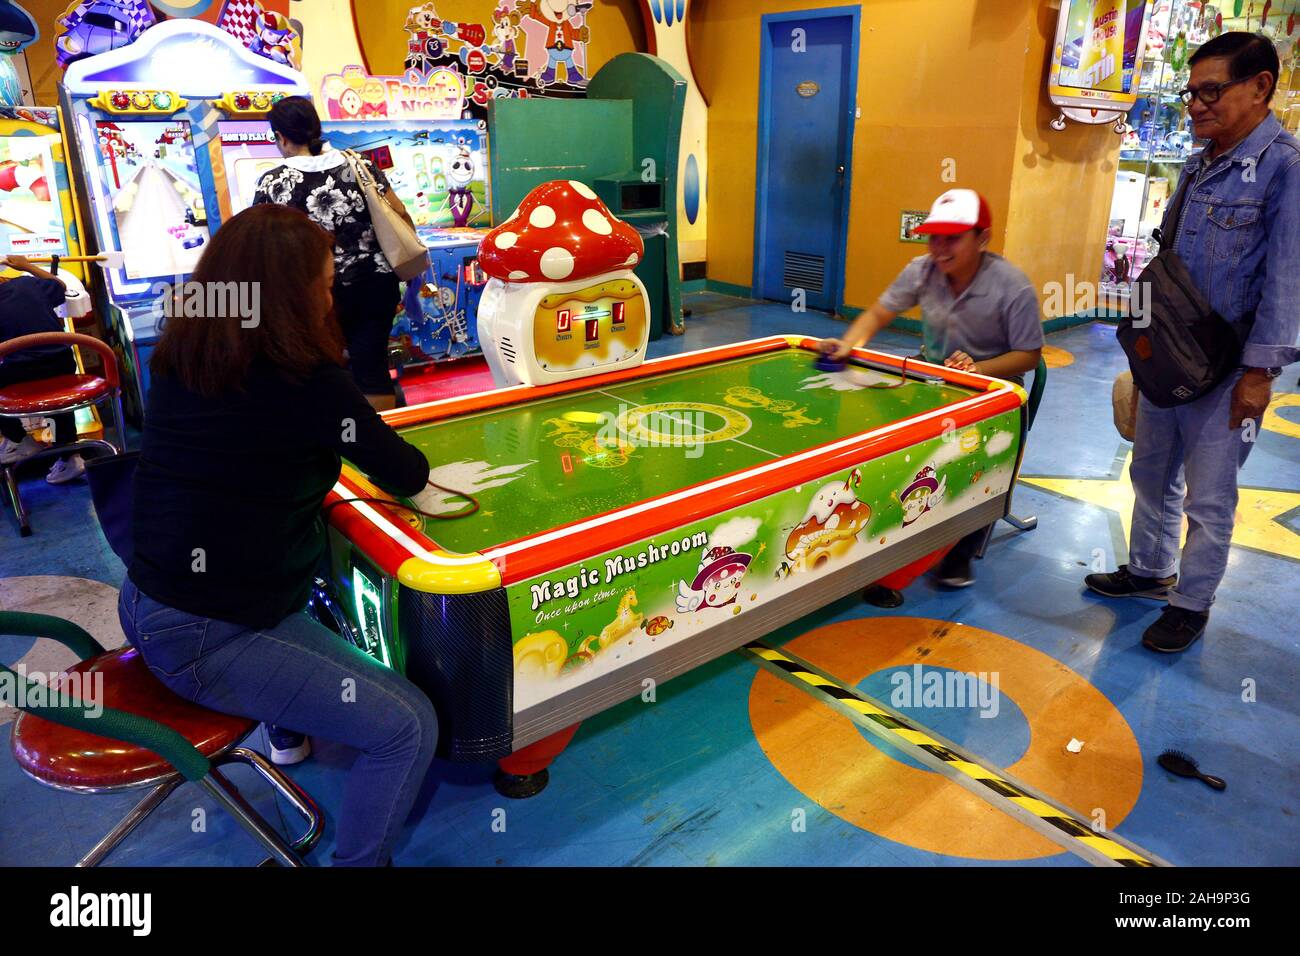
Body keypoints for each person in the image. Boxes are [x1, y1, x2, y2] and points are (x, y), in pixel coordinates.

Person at [118, 204, 437, 866]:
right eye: (323, 283)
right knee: (406, 727)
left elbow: (243, 458)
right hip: (208, 634)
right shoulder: (303, 378)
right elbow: (405, 470)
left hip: (148, 597)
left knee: (303, 551)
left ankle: (286, 733)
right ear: (296, 296)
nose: (332, 293)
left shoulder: (184, 354)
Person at [1086, 33, 1299, 653]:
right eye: (1190, 92)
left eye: (1212, 91)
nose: (1196, 105)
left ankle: (1192, 602)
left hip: (1232, 371)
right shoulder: (1199, 163)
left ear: (1260, 87)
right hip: (1171, 355)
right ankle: (1151, 570)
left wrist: (1260, 375)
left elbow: (1288, 279)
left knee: (1210, 499)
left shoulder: (1285, 168)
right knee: (1150, 472)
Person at [820, 188, 1043, 592]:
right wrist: (848, 345)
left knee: (978, 464)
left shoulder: (1013, 287)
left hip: (994, 393)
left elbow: (1028, 355)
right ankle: (896, 531)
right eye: (934, 237)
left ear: (983, 238)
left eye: (952, 238)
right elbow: (878, 313)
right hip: (933, 380)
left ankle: (964, 543)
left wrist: (979, 369)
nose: (940, 247)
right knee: (894, 448)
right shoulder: (920, 270)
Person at [254, 96, 416, 411]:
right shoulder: (360, 165)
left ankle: (338, 447)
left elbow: (262, 243)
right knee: (371, 369)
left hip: (314, 294)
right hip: (375, 284)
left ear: (282, 137)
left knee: (322, 372)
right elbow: (399, 212)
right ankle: (379, 443)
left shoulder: (273, 183)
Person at [0, 254, 87, 484]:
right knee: (57, 400)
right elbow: (60, 286)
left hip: (20, 372)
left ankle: (17, 439)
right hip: (63, 363)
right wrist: (27, 266)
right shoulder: (27, 282)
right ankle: (70, 456)